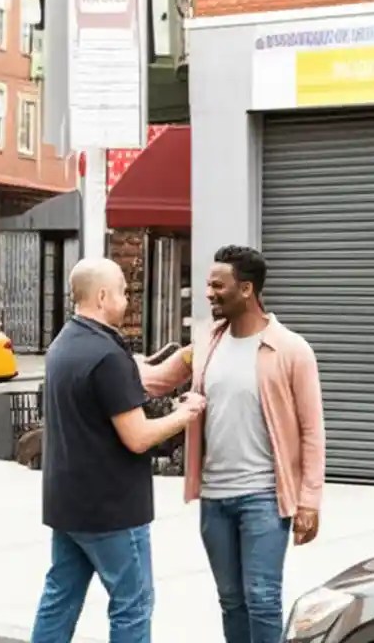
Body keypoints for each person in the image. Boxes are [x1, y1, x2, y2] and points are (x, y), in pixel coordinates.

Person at [136, 245, 324, 643]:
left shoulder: (291, 349)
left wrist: (309, 501)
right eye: (208, 285)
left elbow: (312, 430)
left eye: (218, 286)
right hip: (215, 499)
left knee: (262, 598)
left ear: (247, 289)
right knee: (231, 600)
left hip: (264, 498)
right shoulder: (206, 344)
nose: (209, 293)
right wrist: (102, 350)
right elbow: (154, 380)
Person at [30, 257, 206, 643]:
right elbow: (138, 436)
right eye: (124, 292)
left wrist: (182, 359)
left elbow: (130, 386)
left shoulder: (63, 344)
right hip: (111, 510)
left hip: (67, 505)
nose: (127, 300)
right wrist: (186, 414)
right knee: (133, 604)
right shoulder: (107, 356)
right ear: (102, 296)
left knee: (60, 598)